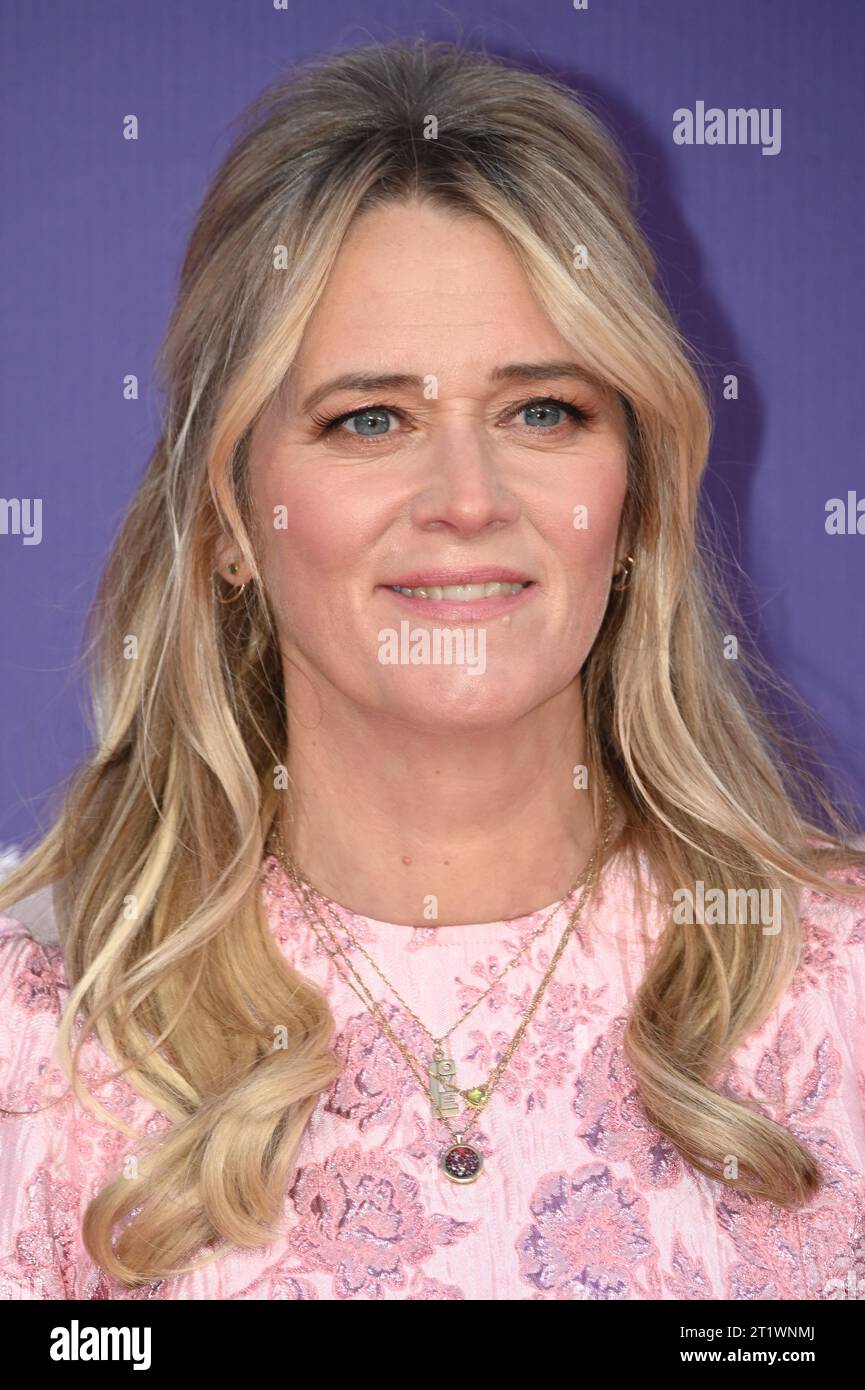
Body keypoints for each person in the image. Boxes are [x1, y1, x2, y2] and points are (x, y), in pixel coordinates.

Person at [1, 36, 863, 1302]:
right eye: (369, 419)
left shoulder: (835, 994)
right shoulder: (44, 1042)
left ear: (627, 501)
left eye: (542, 411)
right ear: (232, 520)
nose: (467, 500)